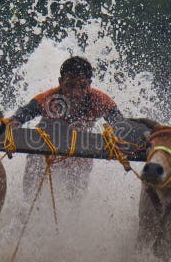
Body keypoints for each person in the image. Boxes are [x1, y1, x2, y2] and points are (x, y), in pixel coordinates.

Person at [8, 56, 136, 198]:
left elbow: (121, 125)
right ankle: (26, 204)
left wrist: (120, 137)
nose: (75, 93)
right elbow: (21, 115)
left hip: (79, 153)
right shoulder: (49, 98)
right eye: (69, 85)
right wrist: (12, 125)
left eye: (81, 86)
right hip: (45, 148)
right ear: (61, 82)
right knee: (33, 165)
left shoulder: (100, 101)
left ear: (89, 84)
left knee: (75, 195)